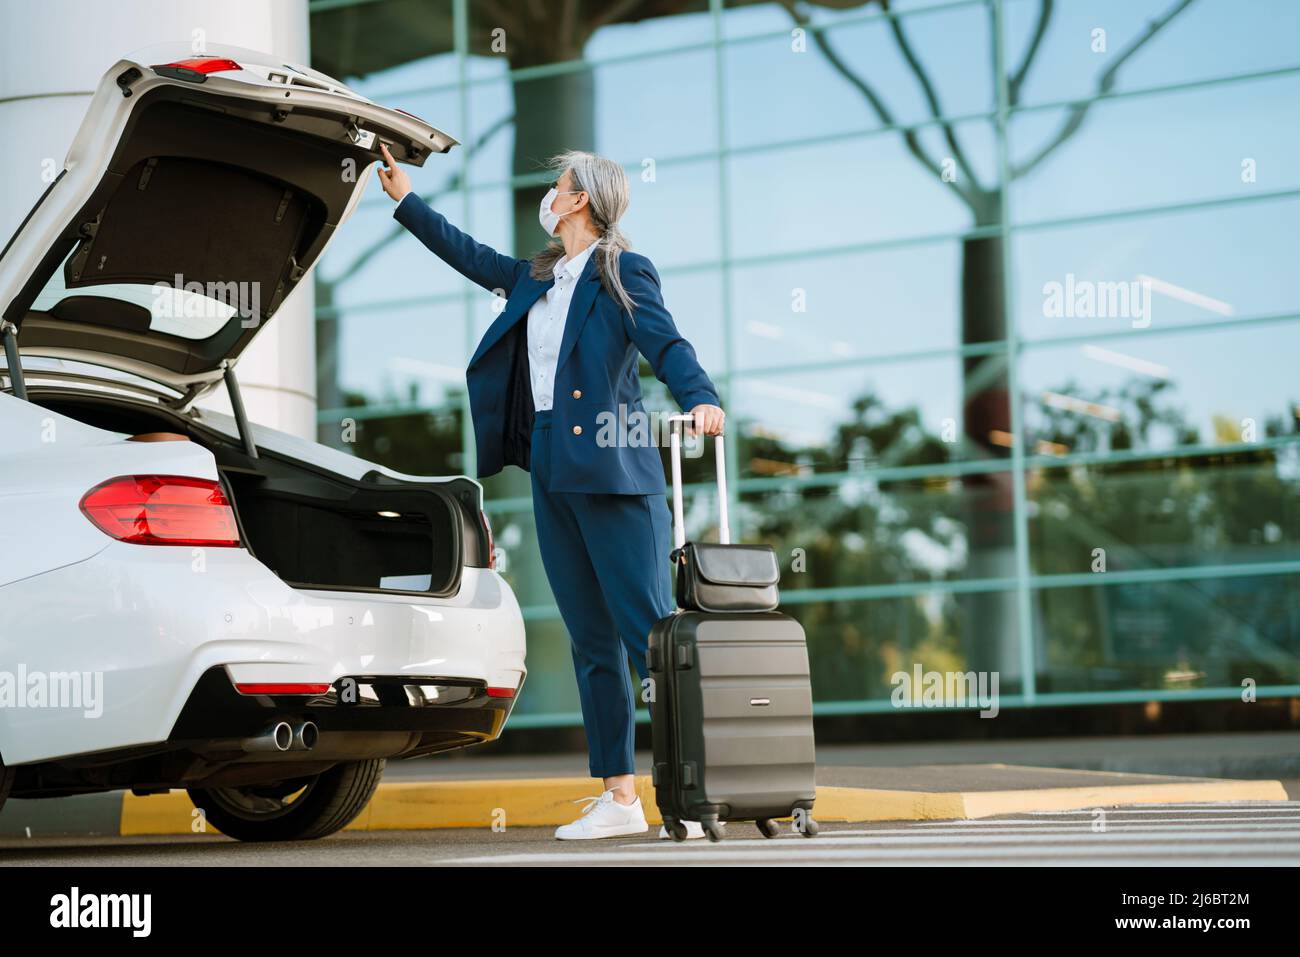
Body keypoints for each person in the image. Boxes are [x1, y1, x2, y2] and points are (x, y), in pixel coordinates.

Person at [378, 144, 725, 840]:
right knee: (591, 641)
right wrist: (405, 200)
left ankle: (696, 786)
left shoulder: (623, 270)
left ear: (580, 201)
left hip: (616, 471)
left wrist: (702, 396)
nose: (551, 194)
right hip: (554, 472)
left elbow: (666, 343)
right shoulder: (537, 276)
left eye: (559, 185)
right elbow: (469, 254)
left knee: (650, 639)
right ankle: (620, 797)